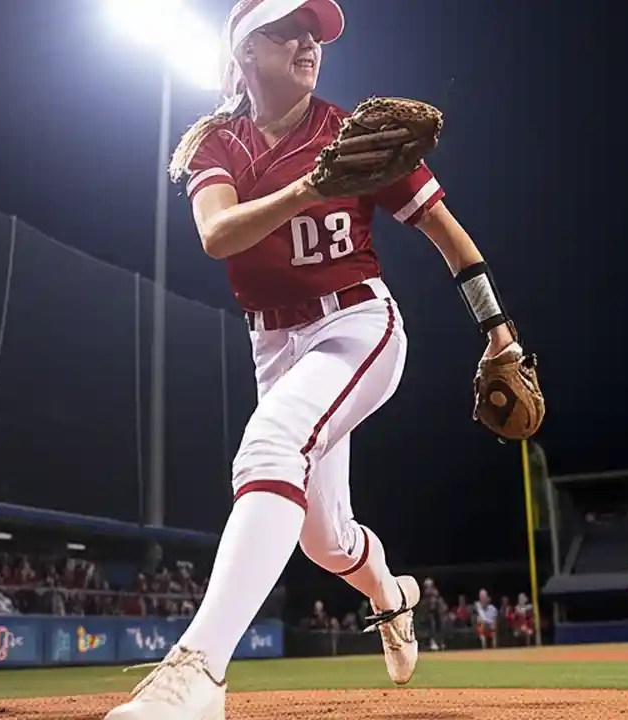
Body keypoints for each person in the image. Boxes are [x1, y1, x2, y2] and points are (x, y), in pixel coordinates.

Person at [104, 1, 525, 717]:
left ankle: (199, 670)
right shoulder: (219, 146)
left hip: (360, 325)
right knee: (327, 543)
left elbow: (451, 237)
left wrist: (499, 331)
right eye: (285, 31)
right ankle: (390, 594)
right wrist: (310, 187)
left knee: (270, 443)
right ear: (245, 52)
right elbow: (218, 235)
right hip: (273, 345)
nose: (307, 42)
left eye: (313, 33)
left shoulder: (354, 136)